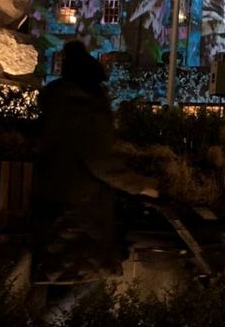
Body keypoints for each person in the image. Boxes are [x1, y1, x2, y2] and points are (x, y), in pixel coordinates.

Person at [32, 41, 158, 283]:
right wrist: (142, 185)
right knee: (79, 283)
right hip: (81, 212)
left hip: (59, 207)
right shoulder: (86, 114)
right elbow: (101, 161)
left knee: (65, 279)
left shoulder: (58, 108)